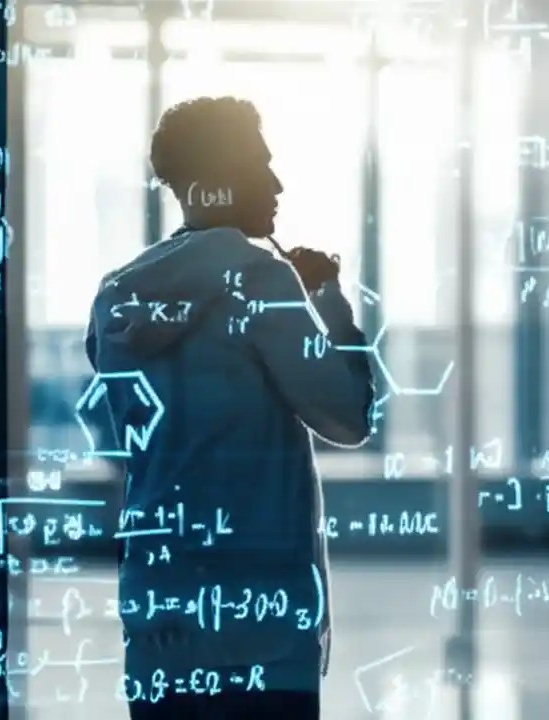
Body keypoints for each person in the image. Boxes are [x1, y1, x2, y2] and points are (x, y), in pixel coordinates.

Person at [83, 96, 376, 719]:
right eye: (261, 165)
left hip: (160, 611)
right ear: (223, 176)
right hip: (259, 619)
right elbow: (348, 417)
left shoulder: (113, 298)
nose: (276, 185)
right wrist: (327, 299)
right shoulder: (262, 281)